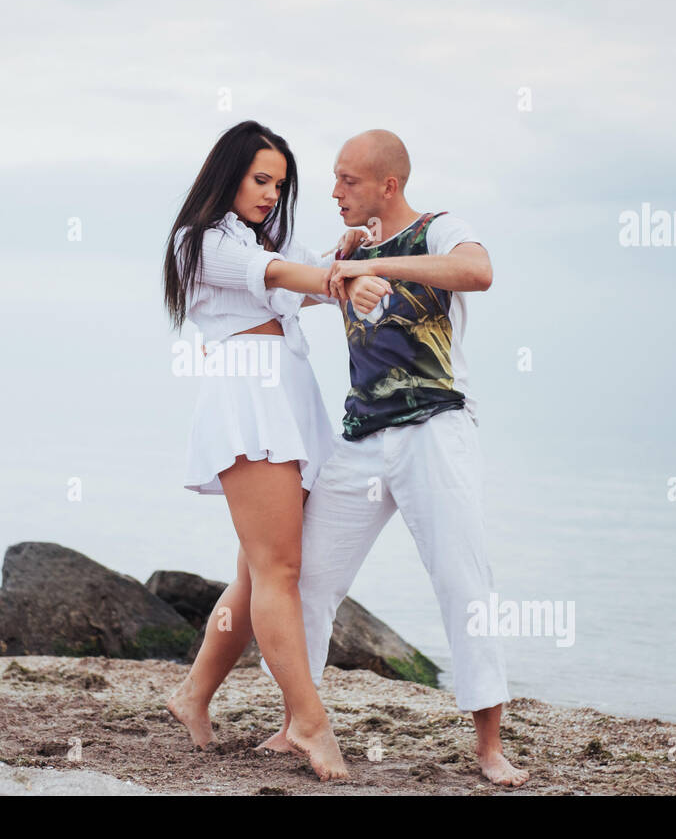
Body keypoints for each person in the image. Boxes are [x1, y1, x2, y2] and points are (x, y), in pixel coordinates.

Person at [263, 129, 531, 787]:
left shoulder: (440, 230)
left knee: (463, 583)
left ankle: (489, 746)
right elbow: (282, 291)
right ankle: (298, 719)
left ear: (389, 186)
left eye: (347, 181)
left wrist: (373, 265)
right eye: (333, 179)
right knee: (307, 582)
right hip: (360, 440)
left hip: (436, 430)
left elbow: (480, 272)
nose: (334, 192)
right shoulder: (345, 253)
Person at [160, 120, 390, 781]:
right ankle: (309, 721)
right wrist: (340, 276)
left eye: (280, 184)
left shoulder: (258, 237)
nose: (270, 193)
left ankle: (192, 695)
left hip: (288, 393)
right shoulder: (200, 241)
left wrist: (340, 253)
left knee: (258, 573)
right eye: (261, 178)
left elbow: (293, 271)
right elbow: (280, 273)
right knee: (278, 570)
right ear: (227, 171)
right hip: (250, 399)